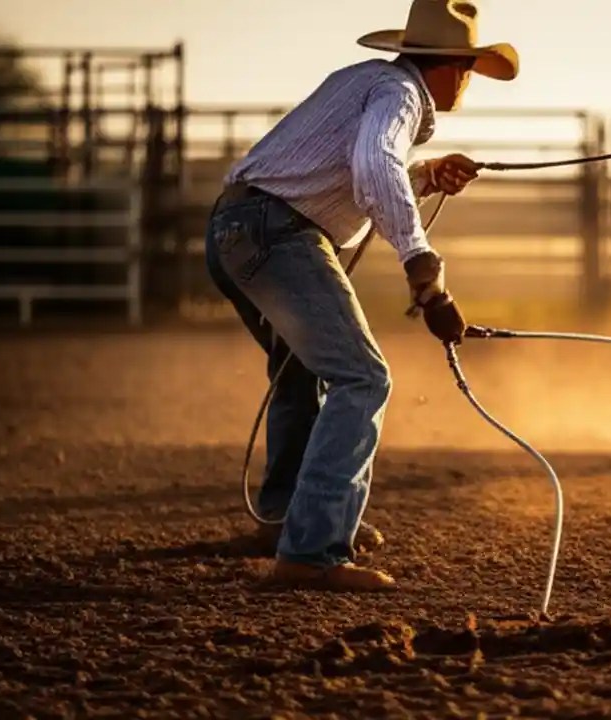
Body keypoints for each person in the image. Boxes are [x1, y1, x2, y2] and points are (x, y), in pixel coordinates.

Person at [204, 0, 519, 591]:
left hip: (232, 230)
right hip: (279, 233)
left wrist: (424, 175)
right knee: (361, 377)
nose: (469, 82)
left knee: (302, 369)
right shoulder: (402, 95)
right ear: (451, 68)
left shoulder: (363, 82)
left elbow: (353, 166)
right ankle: (313, 548)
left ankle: (287, 520)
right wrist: (423, 270)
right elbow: (374, 162)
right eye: (470, 69)